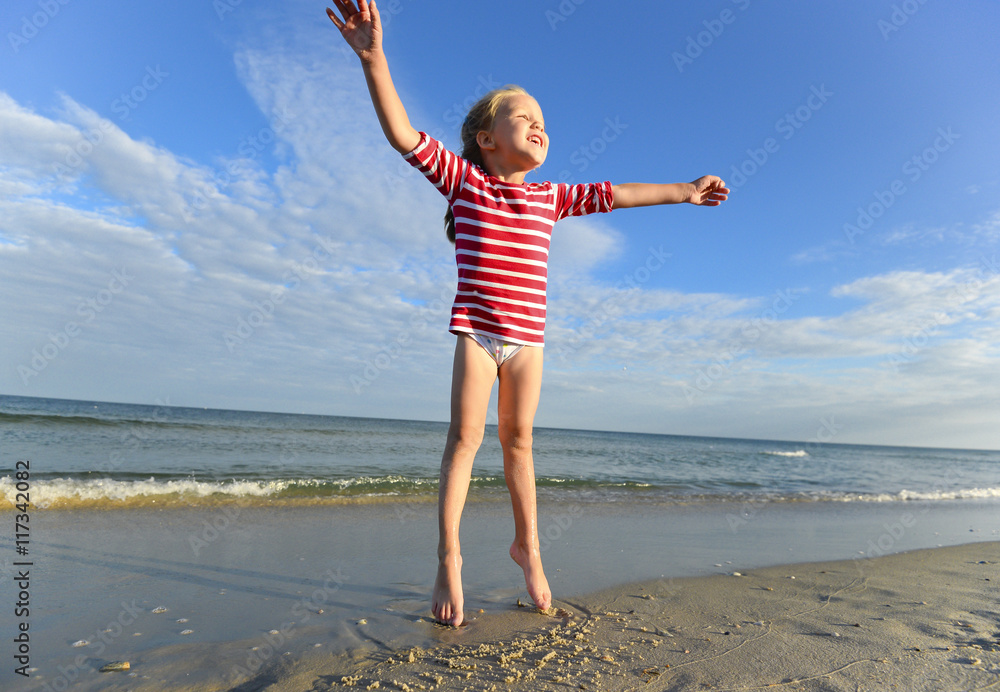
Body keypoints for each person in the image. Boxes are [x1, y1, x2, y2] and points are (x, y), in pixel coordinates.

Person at [327, 0, 729, 628]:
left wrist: (684, 190)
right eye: (524, 118)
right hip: (478, 335)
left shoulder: (550, 197)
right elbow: (403, 135)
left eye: (544, 120)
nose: (540, 127)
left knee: (519, 443)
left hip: (529, 340)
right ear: (487, 139)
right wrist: (374, 58)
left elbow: (618, 195)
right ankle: (449, 558)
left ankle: (528, 548)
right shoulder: (465, 181)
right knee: (464, 440)